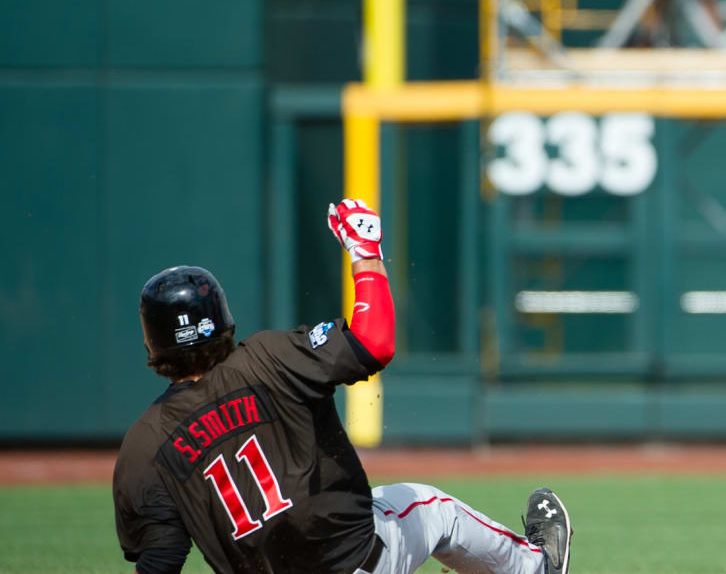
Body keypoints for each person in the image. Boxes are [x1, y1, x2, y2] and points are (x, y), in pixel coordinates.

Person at [113, 199, 573, 574]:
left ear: (153, 342)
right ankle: (539, 568)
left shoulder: (142, 445)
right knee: (434, 509)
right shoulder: (267, 357)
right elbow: (375, 342)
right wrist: (365, 254)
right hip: (357, 562)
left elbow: (161, 562)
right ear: (221, 319)